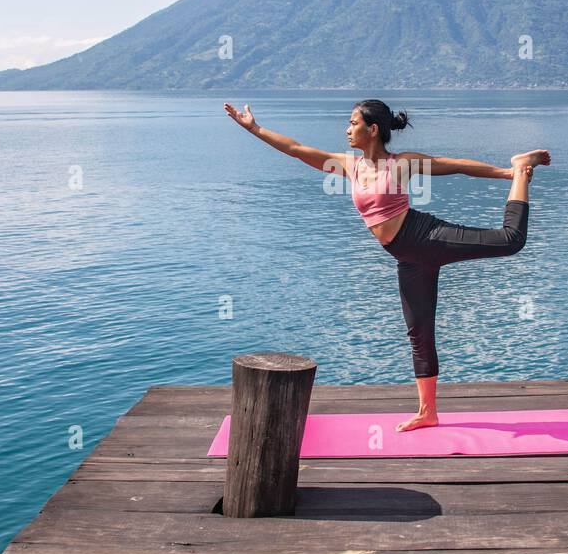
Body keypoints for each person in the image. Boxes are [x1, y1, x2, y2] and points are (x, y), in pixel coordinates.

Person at [223, 98, 550, 431]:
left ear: (373, 129)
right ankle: (428, 411)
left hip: (427, 236)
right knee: (419, 333)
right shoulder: (350, 165)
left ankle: (522, 169)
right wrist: (254, 128)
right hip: (407, 257)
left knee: (511, 240)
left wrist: (509, 173)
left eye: (353, 123)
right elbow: (295, 148)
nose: (347, 129)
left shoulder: (401, 164)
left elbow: (457, 165)